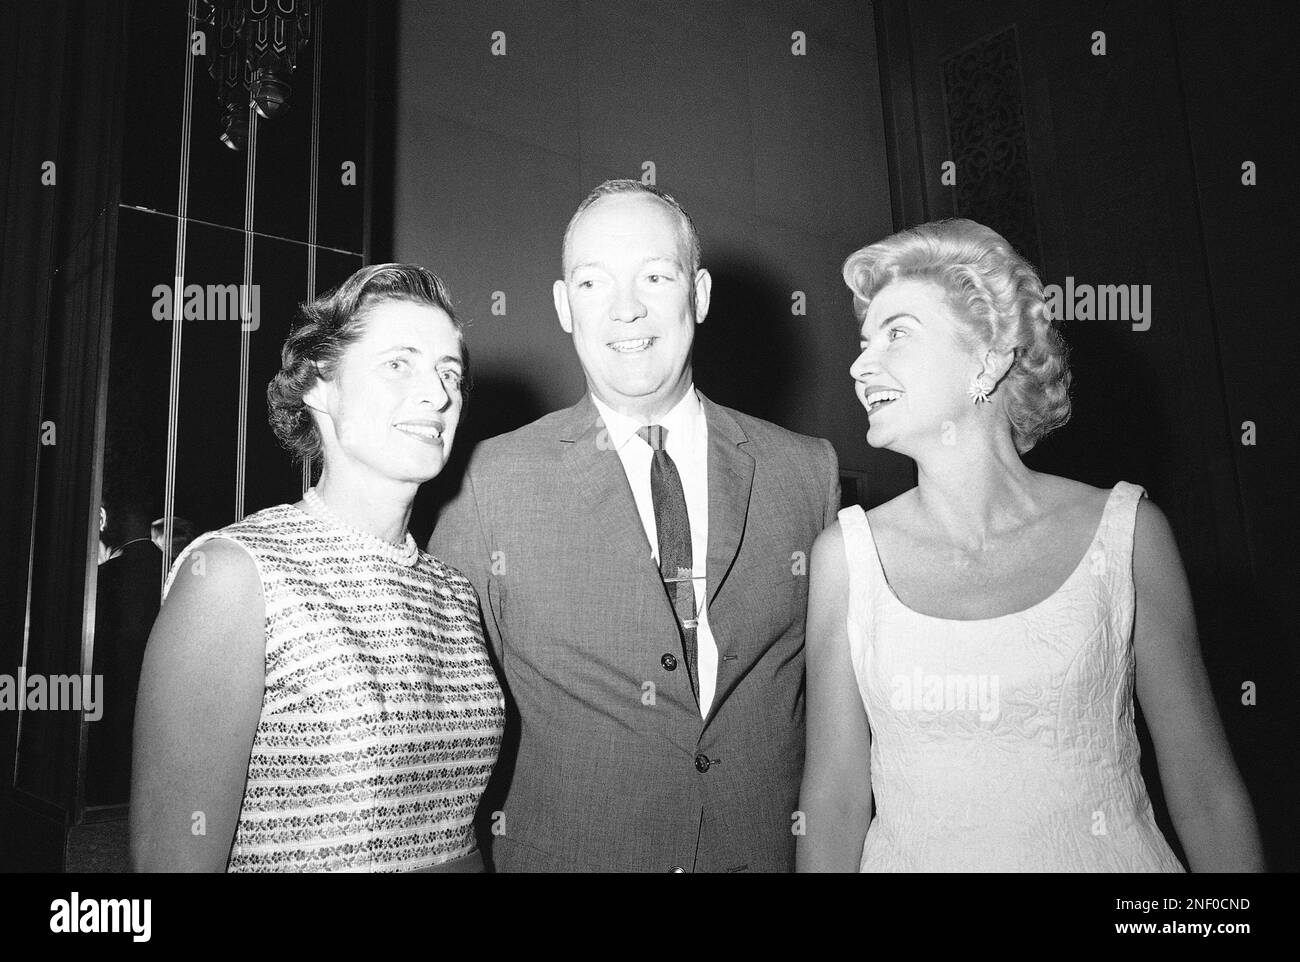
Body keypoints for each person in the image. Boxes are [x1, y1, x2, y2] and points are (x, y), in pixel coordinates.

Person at [797, 219, 1265, 872]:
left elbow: (1206, 792)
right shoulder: (843, 558)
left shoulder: (1128, 533)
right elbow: (834, 803)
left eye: (897, 333)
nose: (859, 364)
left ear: (988, 356)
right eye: (864, 340)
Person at [430, 180, 840, 872]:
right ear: (564, 306)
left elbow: (838, 720)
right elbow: (446, 739)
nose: (627, 308)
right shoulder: (486, 483)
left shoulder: (808, 473)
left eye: (655, 275)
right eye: (593, 283)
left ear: (699, 294)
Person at [131, 264, 504, 872]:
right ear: (319, 387)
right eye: (398, 363)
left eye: (449, 373)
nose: (438, 394)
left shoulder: (453, 592)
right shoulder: (235, 576)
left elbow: (455, 838)